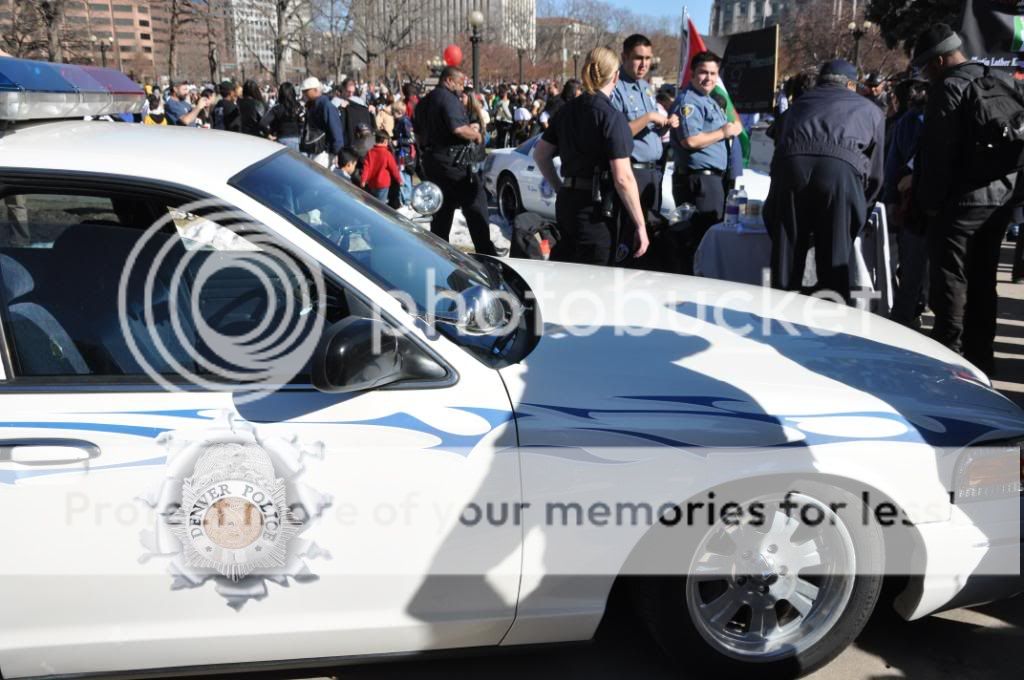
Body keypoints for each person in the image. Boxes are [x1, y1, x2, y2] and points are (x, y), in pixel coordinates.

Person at [913, 24, 1024, 375]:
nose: (926, 75)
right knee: (984, 280)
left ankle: (951, 360)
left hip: (961, 204)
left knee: (951, 282)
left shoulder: (949, 87)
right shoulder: (1003, 79)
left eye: (927, 67)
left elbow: (936, 156)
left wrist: (928, 204)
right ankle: (981, 359)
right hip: (1000, 199)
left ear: (941, 60)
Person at [763, 59, 885, 303]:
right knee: (834, 258)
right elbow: (875, 174)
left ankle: (778, 315)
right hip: (840, 174)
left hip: (791, 173)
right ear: (851, 84)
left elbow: (777, 150)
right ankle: (831, 320)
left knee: (786, 260)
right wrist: (860, 213)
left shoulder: (795, 108)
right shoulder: (871, 111)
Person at [533, 47, 649, 265]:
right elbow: (623, 178)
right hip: (596, 212)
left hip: (568, 203)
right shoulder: (612, 117)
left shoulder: (566, 111)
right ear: (615, 76)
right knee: (595, 282)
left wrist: (560, 187)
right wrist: (640, 225)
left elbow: (541, 155)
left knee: (567, 273)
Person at [610, 34, 679, 264]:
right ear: (624, 56)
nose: (644, 64)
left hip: (653, 172)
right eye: (638, 58)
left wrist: (665, 125)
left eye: (648, 58)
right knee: (628, 240)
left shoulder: (646, 88)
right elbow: (618, 133)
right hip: (632, 172)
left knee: (650, 236)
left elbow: (648, 130)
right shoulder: (616, 87)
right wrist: (650, 116)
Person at [670, 51, 741, 273]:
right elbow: (690, 140)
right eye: (703, 72)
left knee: (708, 238)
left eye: (713, 73)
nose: (709, 78)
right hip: (699, 181)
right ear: (692, 73)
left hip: (712, 181)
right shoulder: (689, 101)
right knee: (699, 240)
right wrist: (723, 132)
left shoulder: (708, 100)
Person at [413, 65, 495, 255]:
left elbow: (417, 134)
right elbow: (458, 129)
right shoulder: (448, 98)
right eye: (459, 83)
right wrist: (476, 135)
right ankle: (486, 253)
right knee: (476, 205)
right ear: (448, 80)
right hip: (455, 163)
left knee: (442, 210)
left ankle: (439, 253)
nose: (461, 87)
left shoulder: (424, 102)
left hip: (433, 161)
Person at [883, 78, 929, 329]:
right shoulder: (910, 121)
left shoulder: (906, 122)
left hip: (912, 205)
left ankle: (905, 318)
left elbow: (892, 166)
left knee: (911, 268)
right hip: (928, 204)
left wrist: (890, 198)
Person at [300, 77, 345, 168]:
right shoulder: (312, 105)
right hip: (314, 150)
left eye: (306, 91)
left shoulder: (326, 106)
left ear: (316, 90)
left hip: (324, 153)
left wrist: (338, 152)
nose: (304, 94)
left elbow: (335, 129)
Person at [259, 81, 303, 151]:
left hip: (281, 139)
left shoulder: (276, 108)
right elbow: (302, 122)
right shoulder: (298, 107)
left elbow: (262, 123)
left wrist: (268, 135)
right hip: (296, 139)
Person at [361, 131, 403, 202]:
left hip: (372, 183)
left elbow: (366, 168)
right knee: (381, 205)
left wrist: (363, 180)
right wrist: (399, 180)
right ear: (385, 141)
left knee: (373, 202)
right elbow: (394, 169)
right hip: (383, 183)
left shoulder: (370, 153)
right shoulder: (387, 154)